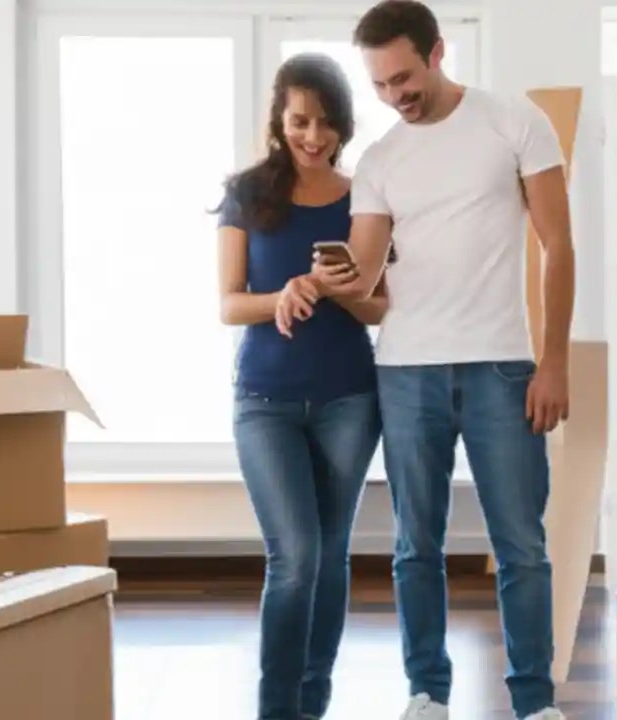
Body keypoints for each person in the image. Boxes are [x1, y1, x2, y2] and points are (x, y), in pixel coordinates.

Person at [304, 2, 577, 719]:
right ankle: (427, 693)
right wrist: (332, 279)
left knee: (521, 544)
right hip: (406, 371)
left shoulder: (514, 122)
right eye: (381, 86)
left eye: (403, 77)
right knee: (413, 547)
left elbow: (559, 247)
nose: (396, 96)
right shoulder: (382, 161)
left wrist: (554, 363)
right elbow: (364, 277)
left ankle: (534, 701)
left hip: (503, 367)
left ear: (437, 52)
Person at [216, 53, 388, 720]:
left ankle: (313, 704)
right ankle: (277, 709)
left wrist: (344, 289)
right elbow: (228, 304)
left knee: (329, 557)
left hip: (350, 397)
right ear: (278, 122)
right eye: (299, 121)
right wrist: (282, 293)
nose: (313, 136)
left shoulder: (363, 198)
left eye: (325, 123)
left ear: (343, 125)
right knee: (297, 556)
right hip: (265, 401)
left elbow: (379, 308)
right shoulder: (246, 193)